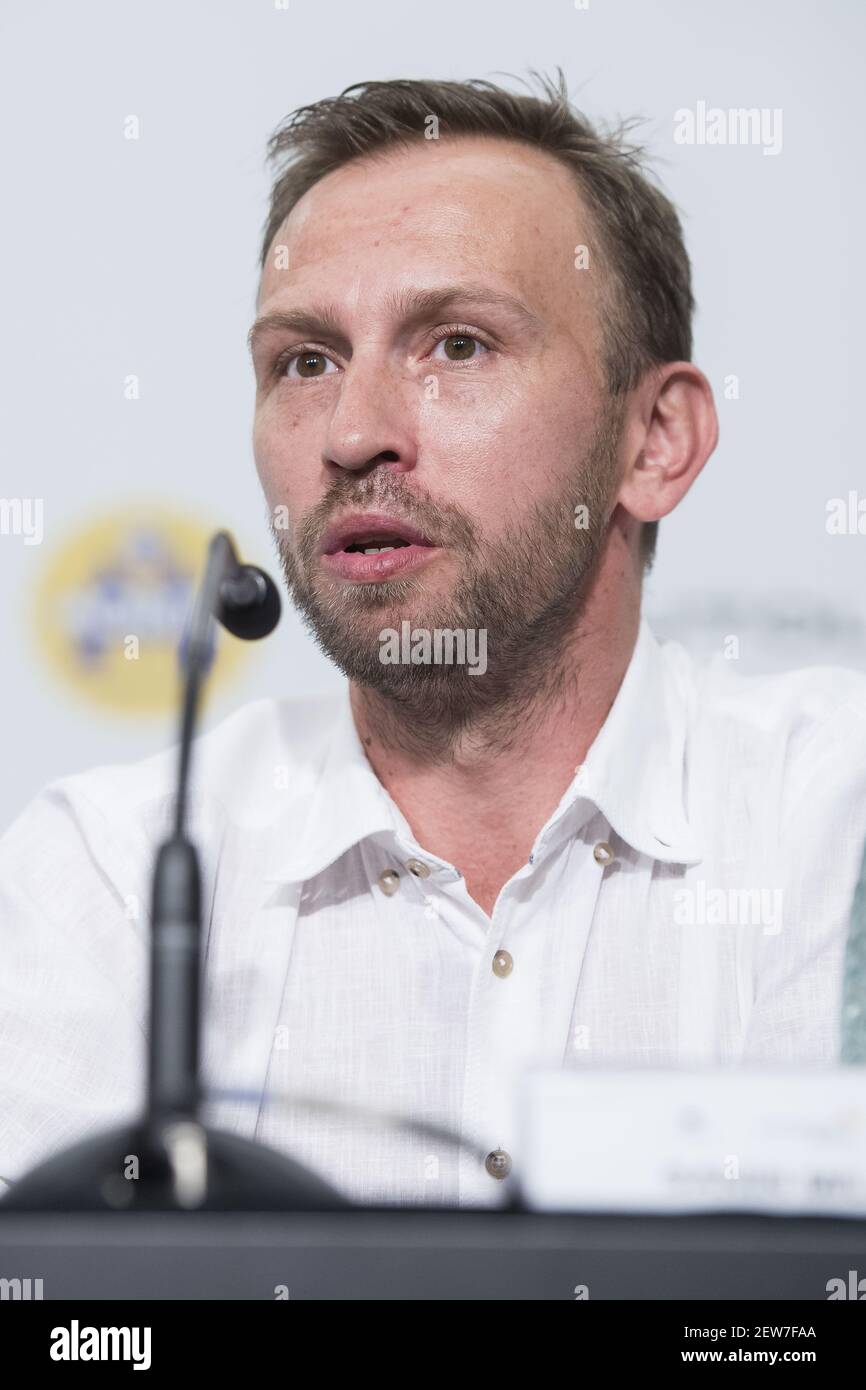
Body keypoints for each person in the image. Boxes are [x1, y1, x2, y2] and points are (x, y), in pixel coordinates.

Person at [2, 75, 865, 1207]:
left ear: (653, 440)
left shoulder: (832, 823)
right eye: (303, 362)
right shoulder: (108, 872)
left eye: (455, 345)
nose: (354, 434)